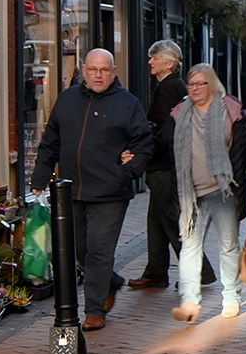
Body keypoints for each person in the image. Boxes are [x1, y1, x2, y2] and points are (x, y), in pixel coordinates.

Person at [29, 49, 153, 332]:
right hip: (71, 191)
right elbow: (51, 141)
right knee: (79, 249)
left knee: (99, 250)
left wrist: (125, 174)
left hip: (110, 193)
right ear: (84, 70)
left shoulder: (127, 104)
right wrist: (40, 177)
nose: (98, 75)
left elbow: (144, 144)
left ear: (114, 71)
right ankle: (110, 281)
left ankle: (94, 310)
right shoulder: (68, 99)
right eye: (93, 69)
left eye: (104, 70)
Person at [163, 64, 246, 323]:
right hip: (191, 196)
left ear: (212, 84)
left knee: (228, 248)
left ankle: (231, 297)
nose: (196, 89)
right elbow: (159, 144)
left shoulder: (230, 111)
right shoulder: (179, 113)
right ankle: (189, 302)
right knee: (189, 248)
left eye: (201, 83)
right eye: (191, 84)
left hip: (224, 191)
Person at [128, 41, 215, 290]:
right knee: (156, 220)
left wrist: (144, 150)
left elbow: (168, 129)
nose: (149, 62)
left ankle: (199, 271)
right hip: (166, 164)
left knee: (172, 219)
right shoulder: (174, 87)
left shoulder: (168, 88)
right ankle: (155, 271)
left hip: (166, 166)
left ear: (168, 62)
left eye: (154, 57)